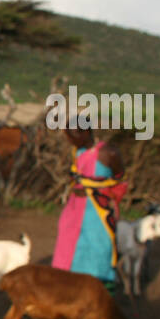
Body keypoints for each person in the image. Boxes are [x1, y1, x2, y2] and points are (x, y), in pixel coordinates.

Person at [51, 112, 127, 290]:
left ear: (85, 133)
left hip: (97, 212)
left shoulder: (109, 153)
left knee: (98, 249)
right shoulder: (78, 151)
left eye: (72, 136)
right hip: (74, 209)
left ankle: (100, 294)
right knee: (69, 250)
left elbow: (120, 179)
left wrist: (108, 195)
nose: (70, 140)